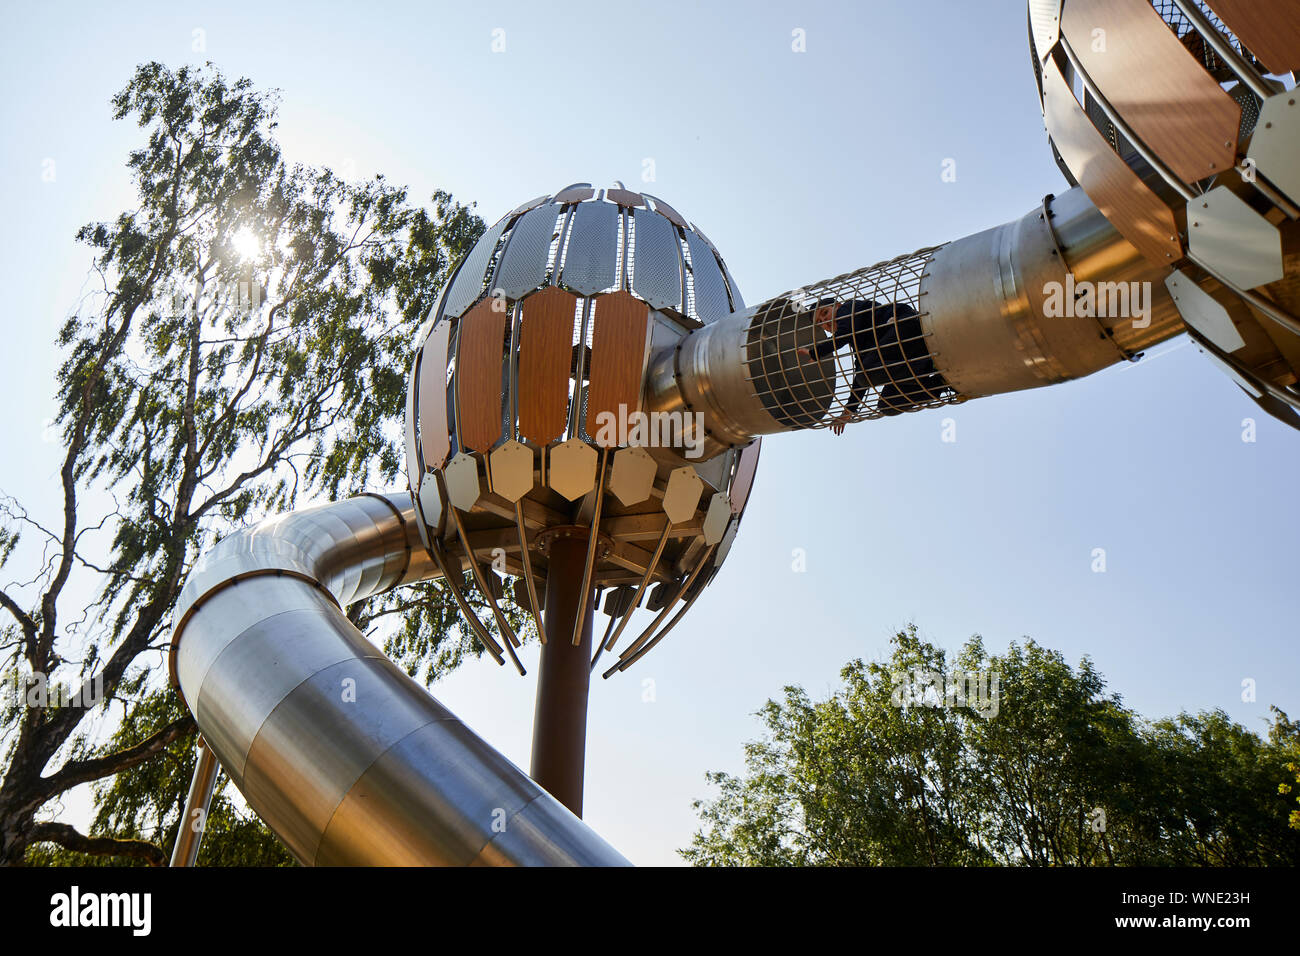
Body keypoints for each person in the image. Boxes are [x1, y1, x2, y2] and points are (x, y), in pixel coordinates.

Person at [795, 297, 947, 433]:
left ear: (838, 306)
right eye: (820, 323)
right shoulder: (857, 338)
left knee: (865, 373)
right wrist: (848, 411)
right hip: (903, 353)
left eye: (825, 313)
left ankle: (930, 365)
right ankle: (940, 382)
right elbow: (861, 371)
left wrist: (816, 352)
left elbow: (844, 334)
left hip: (904, 327)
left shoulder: (848, 309)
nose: (824, 322)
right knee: (887, 405)